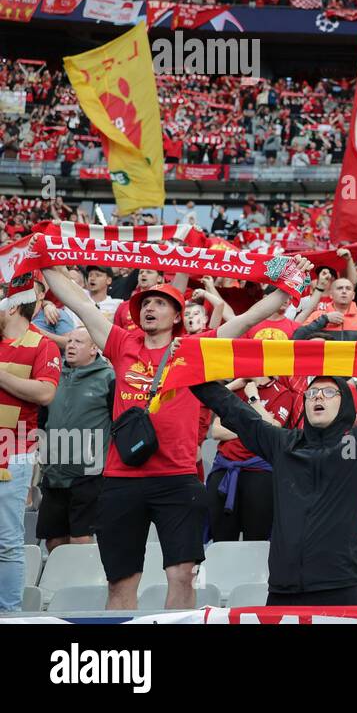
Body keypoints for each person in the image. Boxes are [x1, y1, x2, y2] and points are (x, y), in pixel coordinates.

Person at [41, 261, 310, 610]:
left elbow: (246, 320)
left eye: (160, 303)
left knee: (183, 574)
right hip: (122, 480)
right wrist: (44, 263)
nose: (150, 308)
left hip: (177, 479)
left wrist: (289, 286)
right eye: (145, 304)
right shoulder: (122, 342)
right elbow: (79, 303)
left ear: (177, 315)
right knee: (121, 582)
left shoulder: (196, 349)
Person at [189, 375, 357, 606]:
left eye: (328, 392)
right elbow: (234, 412)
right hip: (283, 590)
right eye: (312, 393)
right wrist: (191, 370)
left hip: (340, 587)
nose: (318, 398)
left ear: (345, 400)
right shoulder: (283, 444)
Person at [0, 289, 63, 611]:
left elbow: (45, 392)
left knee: (7, 542)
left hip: (12, 453)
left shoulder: (42, 344)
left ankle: (8, 614)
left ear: (12, 307)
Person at [36, 328, 115, 552]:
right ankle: (58, 586)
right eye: (69, 341)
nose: (70, 345)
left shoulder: (108, 378)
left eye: (78, 342)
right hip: (53, 473)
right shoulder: (52, 375)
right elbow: (41, 420)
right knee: (53, 542)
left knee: (81, 541)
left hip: (89, 475)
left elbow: (118, 424)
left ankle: (81, 586)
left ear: (94, 349)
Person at [206, 375, 300, 542]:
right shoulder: (235, 389)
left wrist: (253, 398)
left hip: (259, 472)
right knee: (221, 539)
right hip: (225, 469)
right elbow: (216, 431)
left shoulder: (282, 393)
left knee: (257, 539)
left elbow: (273, 431)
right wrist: (255, 429)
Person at [294, 277, 357, 341]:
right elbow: (298, 336)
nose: (344, 291)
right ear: (331, 295)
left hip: (353, 363)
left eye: (348, 288)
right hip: (325, 363)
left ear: (353, 295)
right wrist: (325, 319)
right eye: (339, 288)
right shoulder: (318, 315)